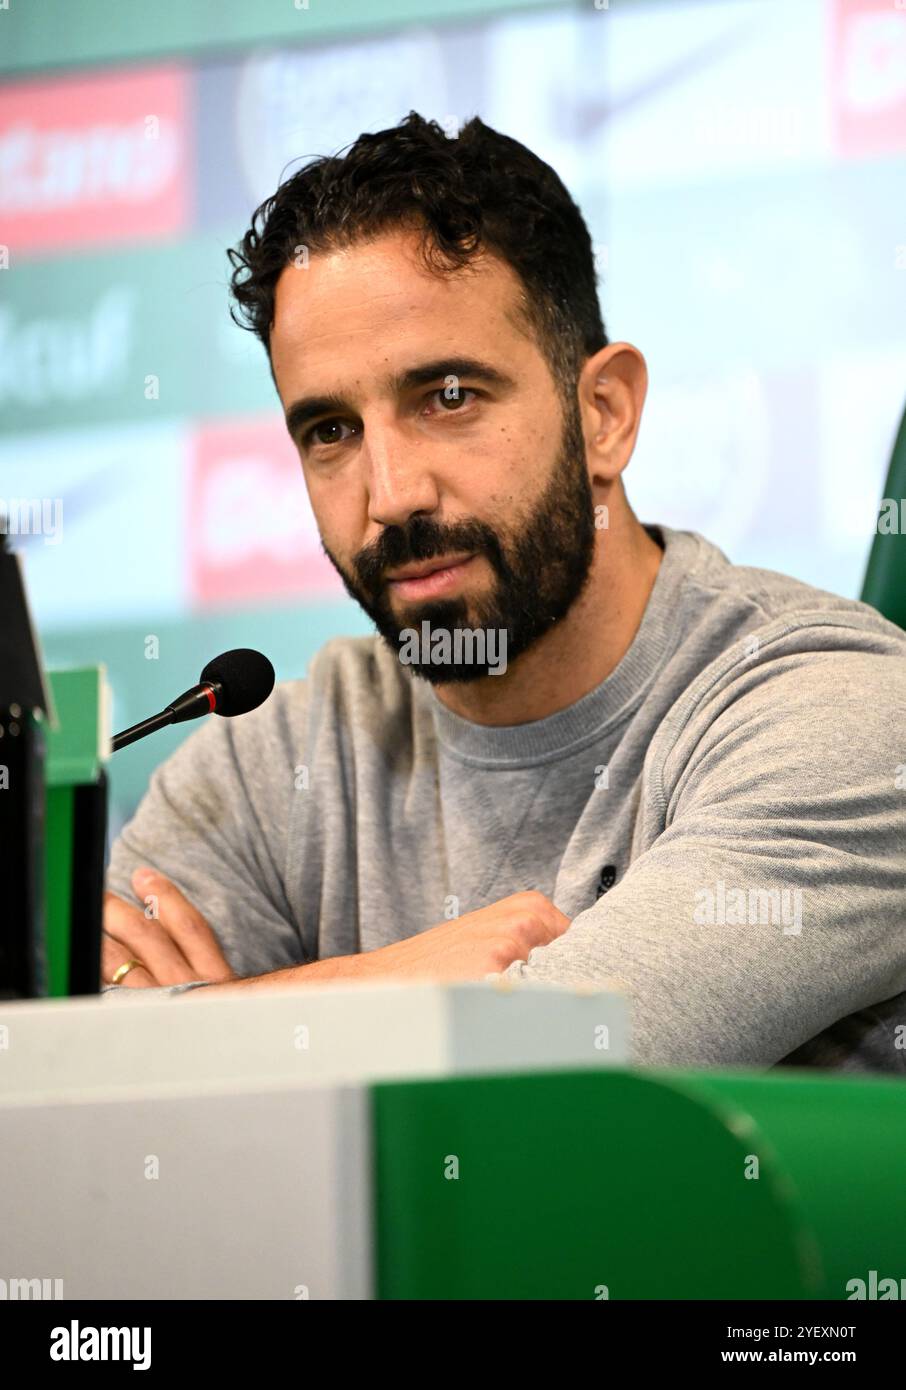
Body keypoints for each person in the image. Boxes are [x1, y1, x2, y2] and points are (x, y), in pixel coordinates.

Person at [102, 113, 906, 1073]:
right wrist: (378, 981)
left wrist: (196, 1024)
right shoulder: (266, 762)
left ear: (603, 414)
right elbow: (51, 1091)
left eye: (449, 397)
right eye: (330, 431)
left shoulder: (840, 716)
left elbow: (544, 1086)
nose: (391, 496)